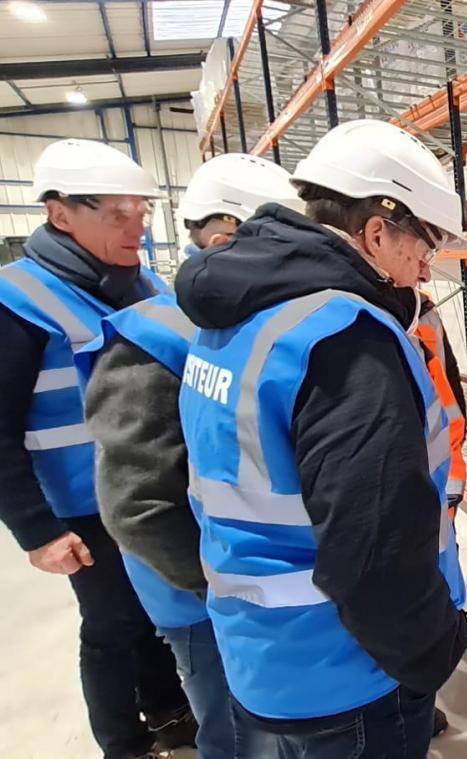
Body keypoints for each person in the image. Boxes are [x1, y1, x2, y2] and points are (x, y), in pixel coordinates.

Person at [174, 119, 467, 758]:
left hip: (262, 650)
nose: (427, 266)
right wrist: (429, 650)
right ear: (376, 230)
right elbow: (372, 550)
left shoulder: (235, 311)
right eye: (427, 244)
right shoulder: (344, 339)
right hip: (346, 668)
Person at [76, 153, 306, 759]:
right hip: (200, 598)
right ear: (226, 235)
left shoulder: (259, 320)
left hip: (260, 589)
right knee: (235, 732)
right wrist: (219, 585)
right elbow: (137, 503)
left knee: (274, 722)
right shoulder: (154, 334)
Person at [0, 138, 196, 759]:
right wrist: (37, 531)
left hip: (150, 489)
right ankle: (123, 741)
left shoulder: (142, 283)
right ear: (61, 214)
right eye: (117, 214)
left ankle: (167, 708)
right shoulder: (17, 301)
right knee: (113, 625)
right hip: (79, 506)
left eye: (141, 212)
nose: (136, 227)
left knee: (156, 613)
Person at [410, 274, 467, 652]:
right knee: (411, 553)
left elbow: (446, 378)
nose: (426, 270)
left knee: (445, 542)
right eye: (420, 251)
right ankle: (423, 631)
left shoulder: (424, 308)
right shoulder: (361, 313)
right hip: (407, 460)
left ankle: (451, 615)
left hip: (444, 454)